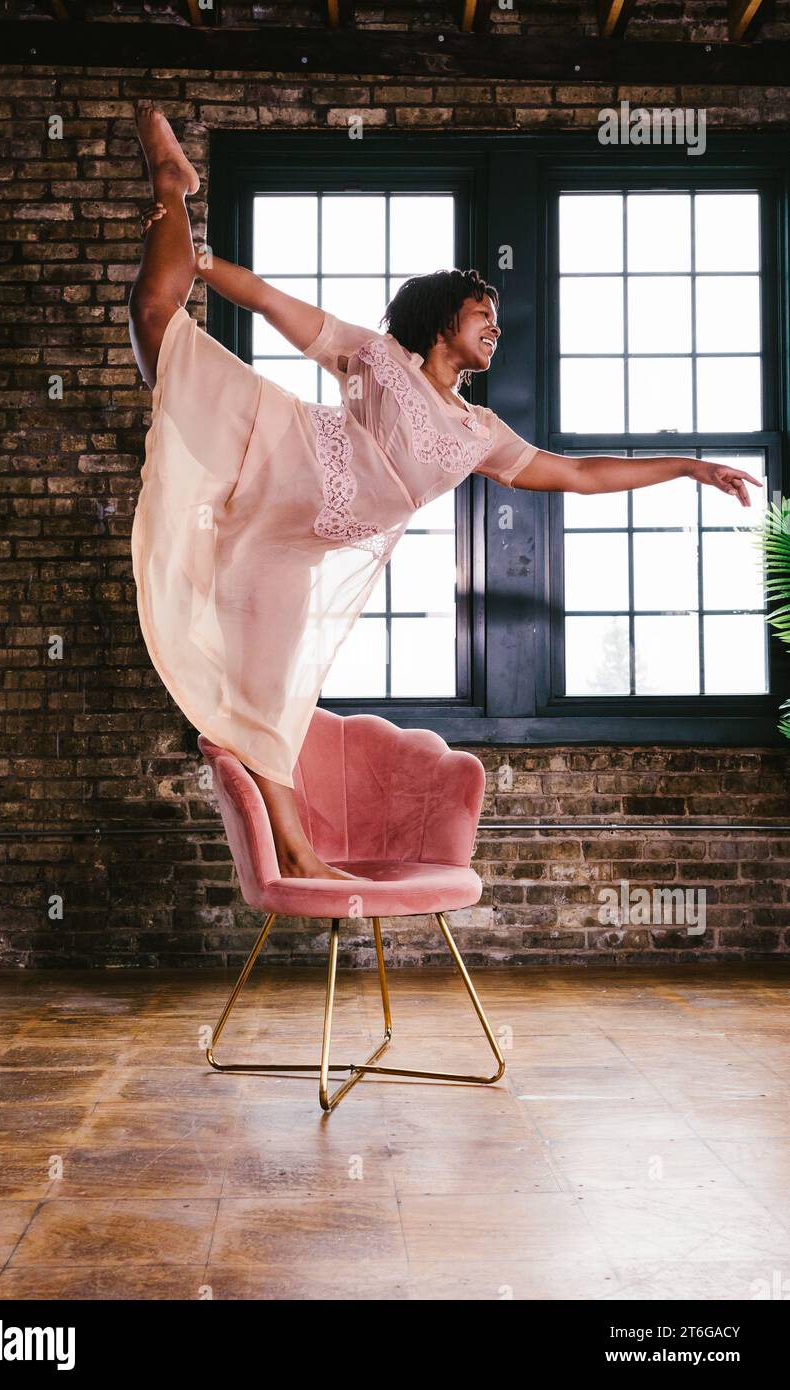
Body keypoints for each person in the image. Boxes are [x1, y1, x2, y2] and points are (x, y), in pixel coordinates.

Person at [127, 101, 761, 881]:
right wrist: (203, 265)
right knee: (158, 324)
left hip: (296, 544)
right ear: (440, 321)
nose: (496, 326)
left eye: (497, 318)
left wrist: (689, 467)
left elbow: (580, 474)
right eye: (481, 314)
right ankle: (171, 183)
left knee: (264, 699)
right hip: (284, 453)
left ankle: (298, 853)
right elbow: (271, 306)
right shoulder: (378, 356)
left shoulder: (480, 433)